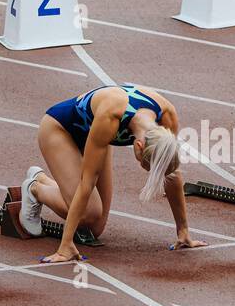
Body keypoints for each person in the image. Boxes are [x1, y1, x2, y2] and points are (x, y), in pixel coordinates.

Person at [24, 84, 205, 263]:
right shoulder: (112, 116)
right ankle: (35, 189)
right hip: (60, 130)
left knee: (95, 227)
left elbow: (171, 172)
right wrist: (66, 245)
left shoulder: (166, 117)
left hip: (95, 136)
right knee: (89, 214)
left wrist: (183, 231)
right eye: (145, 165)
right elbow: (87, 183)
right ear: (138, 146)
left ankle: (41, 178)